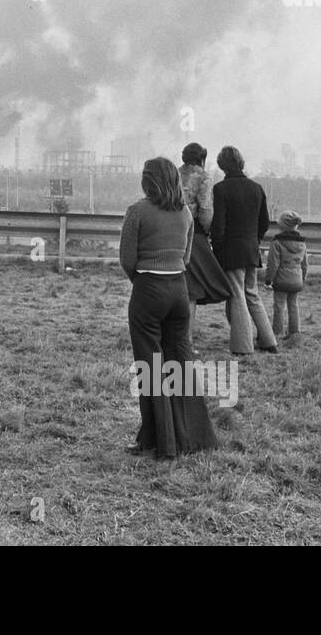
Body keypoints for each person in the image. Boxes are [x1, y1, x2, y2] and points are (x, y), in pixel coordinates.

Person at [118, 157, 218, 458]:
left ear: (148, 181)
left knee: (151, 368)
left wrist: (142, 279)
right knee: (181, 364)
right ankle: (194, 436)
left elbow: (127, 258)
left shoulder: (137, 211)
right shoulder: (185, 213)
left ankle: (156, 440)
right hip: (178, 289)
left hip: (149, 290)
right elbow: (186, 258)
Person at [210, 145, 276, 355]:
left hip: (231, 250)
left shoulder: (221, 189)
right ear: (241, 163)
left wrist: (217, 248)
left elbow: (218, 225)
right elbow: (264, 222)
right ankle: (269, 341)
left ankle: (243, 347)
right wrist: (254, 240)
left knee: (237, 295)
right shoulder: (256, 188)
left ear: (223, 166)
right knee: (252, 294)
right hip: (251, 249)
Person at [178, 143, 231, 328]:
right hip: (194, 233)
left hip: (171, 231)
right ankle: (187, 339)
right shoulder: (203, 177)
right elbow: (206, 210)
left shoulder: (174, 173)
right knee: (192, 289)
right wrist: (209, 232)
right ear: (202, 158)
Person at [266, 209, 309, 341]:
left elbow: (273, 264)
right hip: (296, 279)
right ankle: (294, 332)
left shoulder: (277, 242)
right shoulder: (302, 243)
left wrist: (269, 280)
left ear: (282, 226)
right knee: (293, 305)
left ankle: (278, 333)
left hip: (281, 280)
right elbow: (305, 264)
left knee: (279, 306)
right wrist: (303, 278)